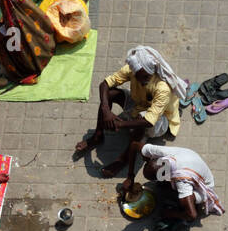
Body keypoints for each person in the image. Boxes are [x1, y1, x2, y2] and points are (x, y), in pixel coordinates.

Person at [74, 46, 188, 199]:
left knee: (141, 121)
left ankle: (123, 159)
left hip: (158, 122)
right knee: (111, 94)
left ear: (151, 71)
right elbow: (105, 84)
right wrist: (106, 110)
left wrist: (119, 124)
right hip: (137, 105)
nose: (141, 81)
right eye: (138, 77)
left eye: (144, 77)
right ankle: (97, 136)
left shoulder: (162, 87)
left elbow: (148, 121)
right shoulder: (133, 69)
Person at [0, 0, 56, 87]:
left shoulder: (8, 26)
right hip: (44, 46)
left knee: (7, 41)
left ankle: (21, 63)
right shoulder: (28, 8)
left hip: (27, 61)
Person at [140, 143, 225, 223]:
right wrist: (130, 177)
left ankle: (186, 205)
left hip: (205, 188)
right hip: (194, 167)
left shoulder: (181, 181)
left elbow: (192, 215)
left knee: (174, 197)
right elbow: (134, 145)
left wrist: (169, 214)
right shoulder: (165, 154)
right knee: (164, 185)